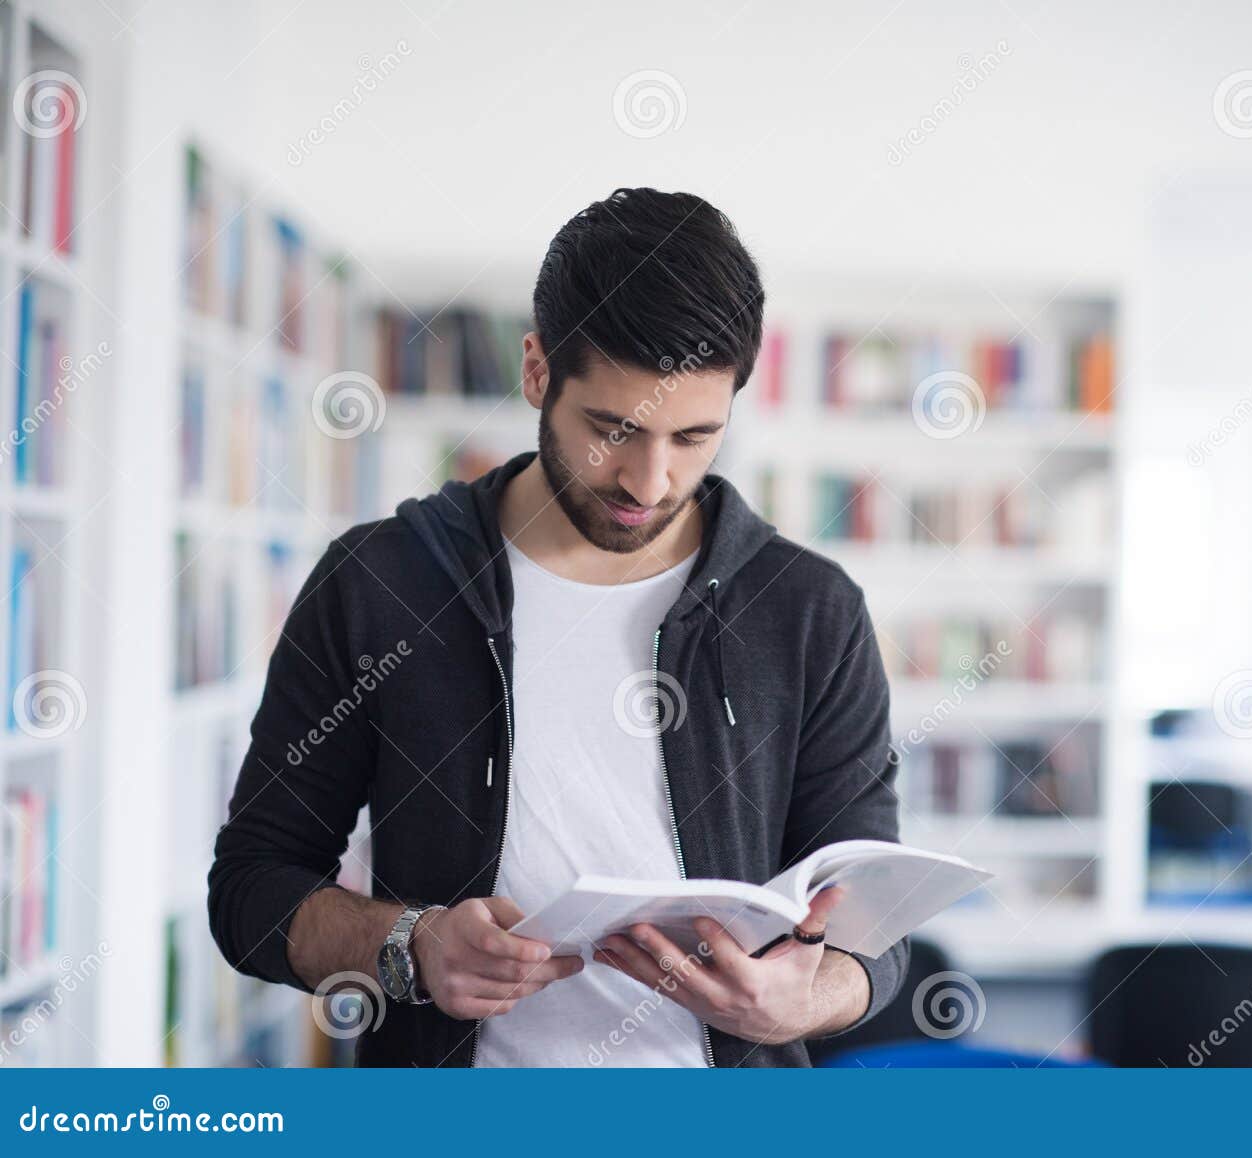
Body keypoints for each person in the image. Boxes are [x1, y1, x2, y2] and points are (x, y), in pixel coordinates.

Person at [208, 187, 908, 1067]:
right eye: (614, 430)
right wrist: (409, 947)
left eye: (695, 437)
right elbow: (251, 887)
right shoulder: (379, 583)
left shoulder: (810, 609)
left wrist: (808, 999)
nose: (650, 482)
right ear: (538, 370)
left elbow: (875, 927)